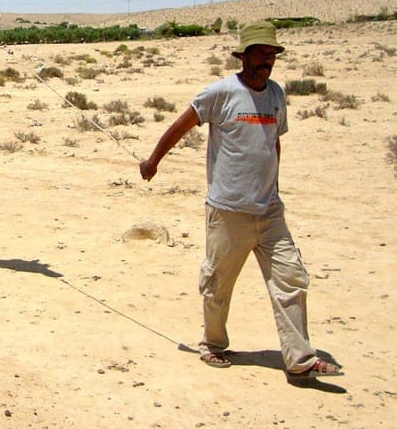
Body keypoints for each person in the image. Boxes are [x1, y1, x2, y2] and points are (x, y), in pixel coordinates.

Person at [138, 21, 343, 379]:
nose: (268, 60)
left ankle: (300, 360)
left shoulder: (276, 94)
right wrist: (153, 160)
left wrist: (274, 185)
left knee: (291, 279)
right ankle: (213, 344)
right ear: (244, 55)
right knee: (218, 283)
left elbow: (273, 141)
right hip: (228, 211)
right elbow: (181, 125)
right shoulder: (220, 93)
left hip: (270, 210)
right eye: (261, 53)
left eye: (272, 54)